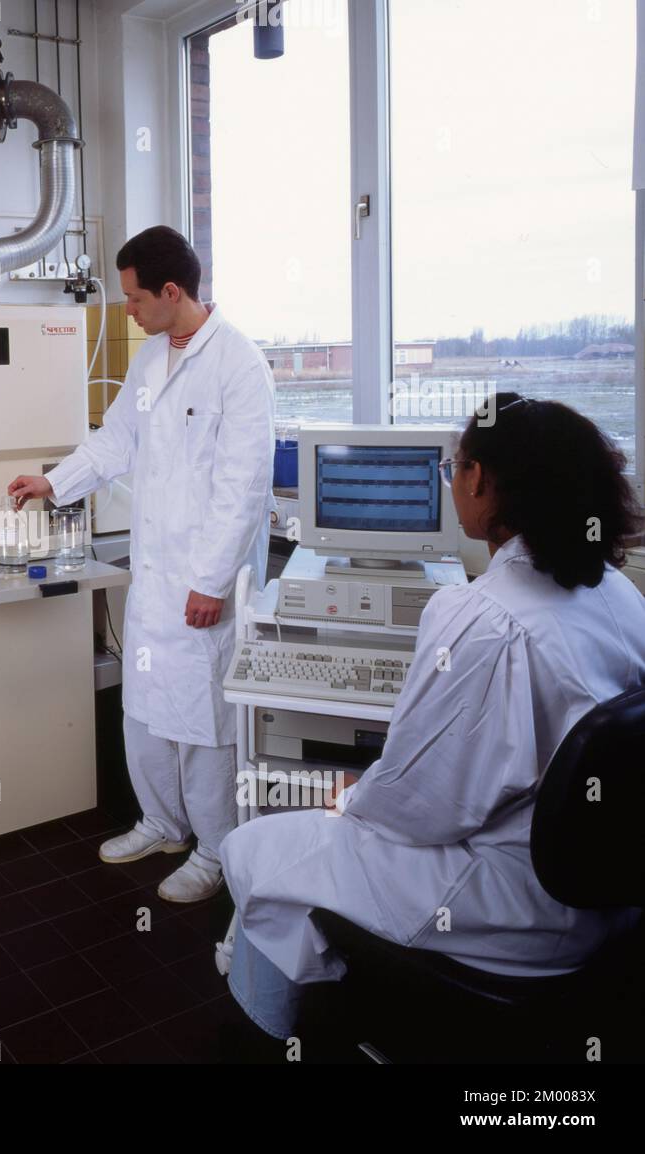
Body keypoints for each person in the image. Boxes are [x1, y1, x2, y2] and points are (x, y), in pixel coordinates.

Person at [219, 394, 645, 1040]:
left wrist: (353, 794)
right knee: (309, 850)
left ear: (478, 480)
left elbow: (421, 807)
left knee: (253, 848)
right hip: (608, 901)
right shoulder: (618, 595)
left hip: (516, 912)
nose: (450, 482)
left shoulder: (481, 619)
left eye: (454, 468)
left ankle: (266, 1033)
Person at [8, 226, 275, 903]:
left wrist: (211, 581)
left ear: (172, 291)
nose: (127, 310)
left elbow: (243, 487)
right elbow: (117, 439)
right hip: (155, 577)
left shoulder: (239, 364)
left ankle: (215, 850)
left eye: (134, 298)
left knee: (204, 722)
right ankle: (161, 823)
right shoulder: (152, 358)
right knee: (146, 709)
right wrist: (54, 482)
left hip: (204, 582)